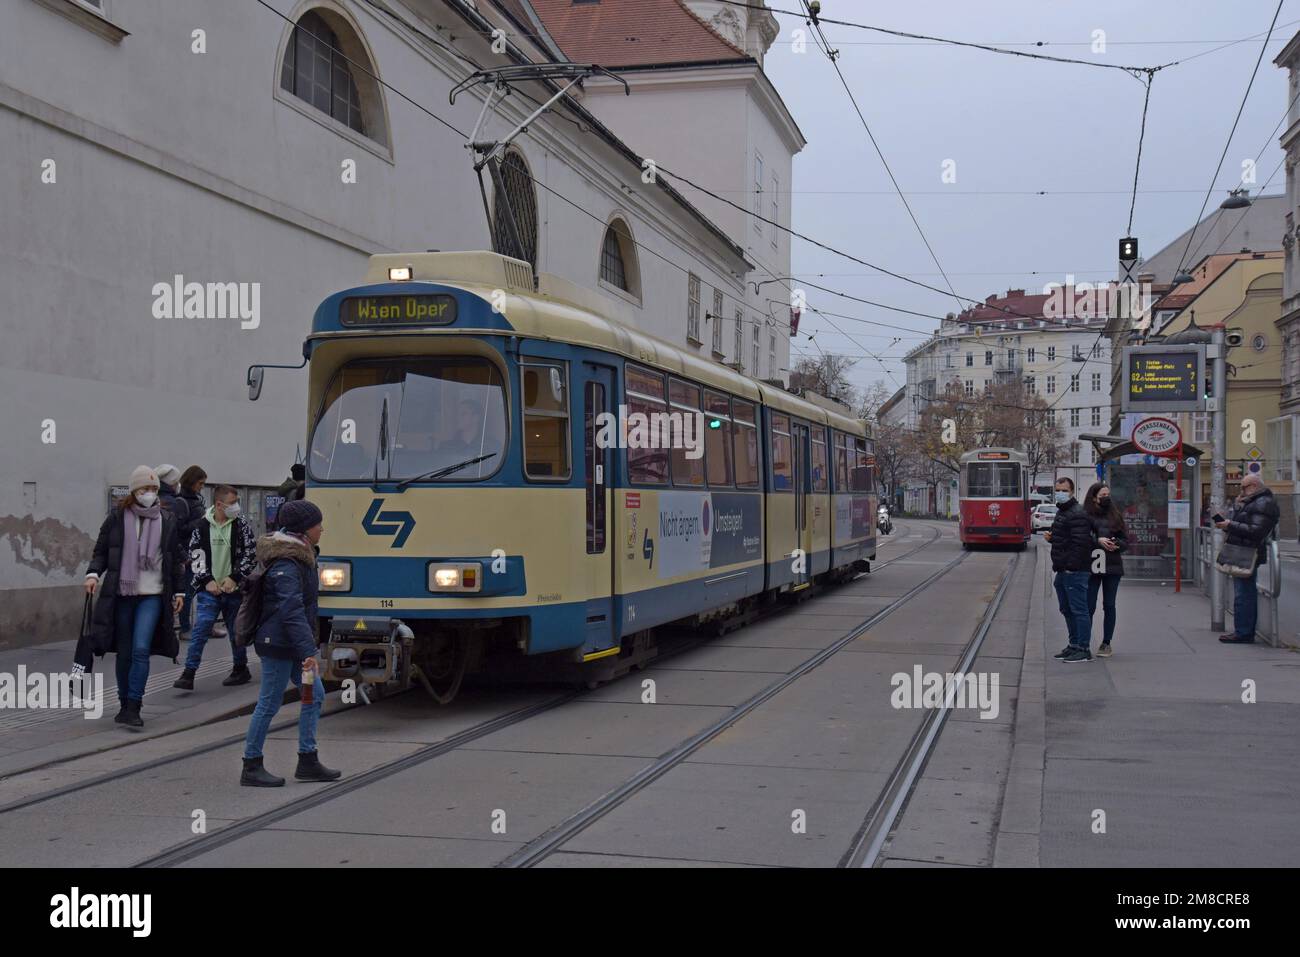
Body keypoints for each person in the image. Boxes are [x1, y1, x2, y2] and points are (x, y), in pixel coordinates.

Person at [240, 499, 341, 786]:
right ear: (304, 529)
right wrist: (309, 651)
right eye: (317, 524)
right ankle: (251, 764)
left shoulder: (303, 555)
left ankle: (307, 760)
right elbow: (290, 609)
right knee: (269, 703)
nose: (322, 528)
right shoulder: (286, 562)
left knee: (314, 695)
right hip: (279, 646)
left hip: (296, 647)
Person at [83, 467, 185, 728]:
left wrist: (180, 591)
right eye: (144, 490)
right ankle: (124, 703)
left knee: (141, 649)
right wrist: (93, 573)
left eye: (153, 490)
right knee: (125, 652)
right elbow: (102, 551)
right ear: (133, 492)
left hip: (152, 595)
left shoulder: (166, 519)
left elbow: (175, 559)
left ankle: (135, 705)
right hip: (122, 594)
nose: (149, 494)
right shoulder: (117, 517)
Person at [174, 486, 256, 689]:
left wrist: (234, 578)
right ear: (219, 505)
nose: (237, 506)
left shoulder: (240, 525)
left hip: (233, 590)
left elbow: (250, 553)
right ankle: (188, 673)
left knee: (235, 630)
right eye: (233, 502)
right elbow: (195, 553)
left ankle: (240, 668)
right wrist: (207, 580)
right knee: (201, 628)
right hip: (209, 590)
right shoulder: (202, 526)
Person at [1215, 473, 1281, 644]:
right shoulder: (1254, 502)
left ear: (1254, 486)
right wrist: (1231, 518)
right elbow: (1247, 525)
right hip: (1242, 551)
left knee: (1244, 594)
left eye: (1243, 487)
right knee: (1242, 593)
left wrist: (1230, 524)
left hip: (1248, 553)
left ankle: (1243, 633)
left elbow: (1255, 530)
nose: (1241, 490)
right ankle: (1242, 631)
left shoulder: (1263, 503)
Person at [1045, 476, 1095, 663]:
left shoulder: (1077, 513)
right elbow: (1066, 538)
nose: (1061, 493)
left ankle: (1083, 648)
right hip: (1063, 569)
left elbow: (1081, 543)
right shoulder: (1063, 511)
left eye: (1064, 490)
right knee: (1066, 609)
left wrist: (1071, 567)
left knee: (1078, 610)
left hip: (1074, 570)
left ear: (1072, 492)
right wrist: (1052, 538)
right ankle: (1074, 645)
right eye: (1058, 489)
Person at [1083, 482, 1127, 658]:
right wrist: (1097, 541)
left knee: (1109, 605)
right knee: (1089, 606)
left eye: (1108, 494)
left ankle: (1106, 643)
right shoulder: (1085, 515)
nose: (1106, 497)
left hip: (1113, 565)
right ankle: (1084, 642)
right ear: (1094, 497)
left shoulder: (1116, 515)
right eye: (1103, 495)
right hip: (1092, 564)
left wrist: (1116, 544)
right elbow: (1081, 538)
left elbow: (1125, 541)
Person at [175, 465, 208, 638]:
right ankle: (185, 627)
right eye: (200, 483)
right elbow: (179, 529)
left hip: (199, 550)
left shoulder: (197, 499)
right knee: (187, 591)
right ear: (192, 481)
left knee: (204, 588)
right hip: (188, 552)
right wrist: (200, 523)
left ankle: (205, 626)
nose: (202, 487)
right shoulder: (181, 501)